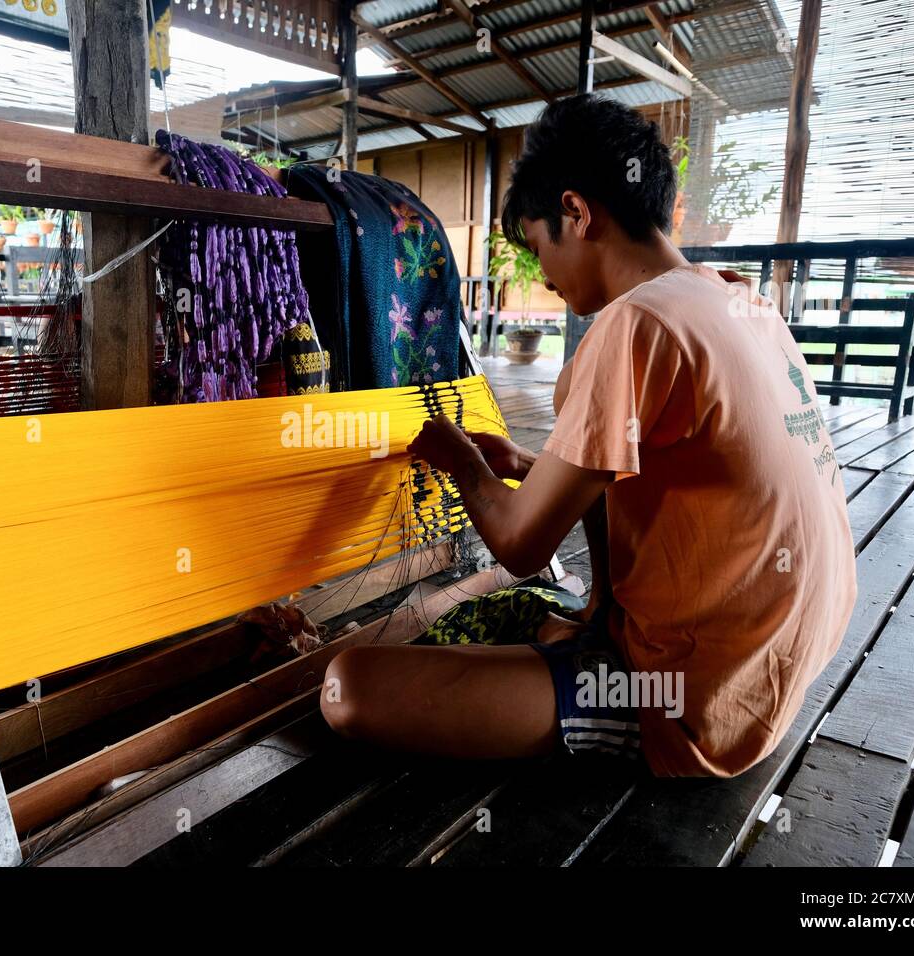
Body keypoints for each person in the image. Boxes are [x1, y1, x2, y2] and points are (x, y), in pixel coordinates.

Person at [318, 94, 857, 777]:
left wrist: (461, 460)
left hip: (694, 700)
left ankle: (619, 693)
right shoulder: (741, 303)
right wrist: (529, 465)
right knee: (544, 616)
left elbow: (520, 545)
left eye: (540, 244)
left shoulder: (637, 324)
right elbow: (673, 467)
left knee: (349, 688)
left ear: (576, 212)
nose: (541, 273)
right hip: (775, 665)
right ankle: (599, 629)